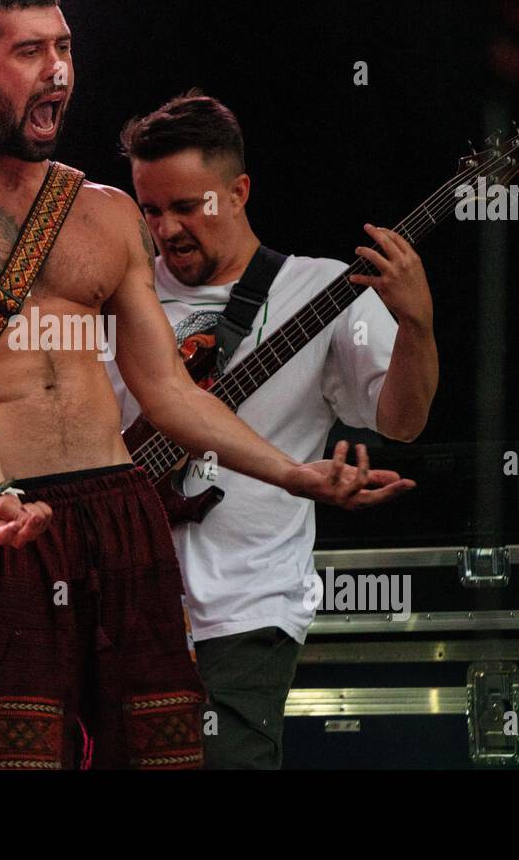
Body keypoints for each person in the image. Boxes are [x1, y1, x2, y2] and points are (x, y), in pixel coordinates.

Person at [0, 0, 414, 770]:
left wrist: (295, 475)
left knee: (160, 760)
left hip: (121, 520)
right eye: (30, 51)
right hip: (5, 527)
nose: (59, 72)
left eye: (65, 48)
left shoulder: (106, 212)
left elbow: (170, 393)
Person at [108, 90, 438, 768]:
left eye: (186, 205)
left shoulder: (321, 287)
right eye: (150, 209)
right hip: (118, 607)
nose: (166, 228)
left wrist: (417, 324)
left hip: (245, 610)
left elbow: (401, 422)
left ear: (238, 191)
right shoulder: (120, 296)